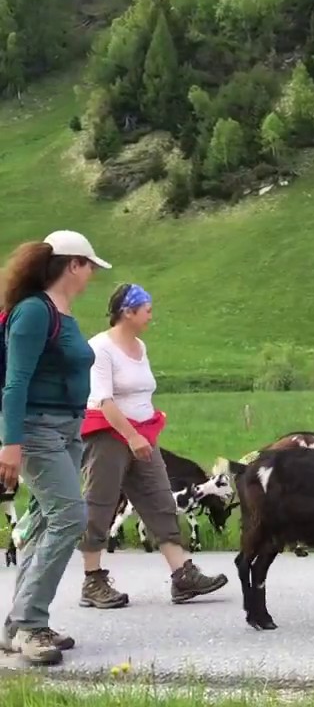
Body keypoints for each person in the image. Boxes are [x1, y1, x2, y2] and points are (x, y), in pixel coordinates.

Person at [77, 282, 227, 609]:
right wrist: (131, 436)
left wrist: (146, 424)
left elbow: (138, 390)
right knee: (100, 504)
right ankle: (92, 580)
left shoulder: (140, 347)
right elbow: (103, 400)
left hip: (143, 437)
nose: (151, 316)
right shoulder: (100, 347)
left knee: (159, 501)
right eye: (147, 310)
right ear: (127, 312)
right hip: (108, 437)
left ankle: (182, 576)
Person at [0, 230, 109, 666]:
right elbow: (15, 381)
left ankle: (16, 627)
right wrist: (10, 443)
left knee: (48, 521)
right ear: (73, 265)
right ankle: (30, 623)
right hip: (38, 428)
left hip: (68, 429)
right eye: (89, 267)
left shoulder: (64, 312)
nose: (91, 276)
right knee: (70, 517)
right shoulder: (33, 312)